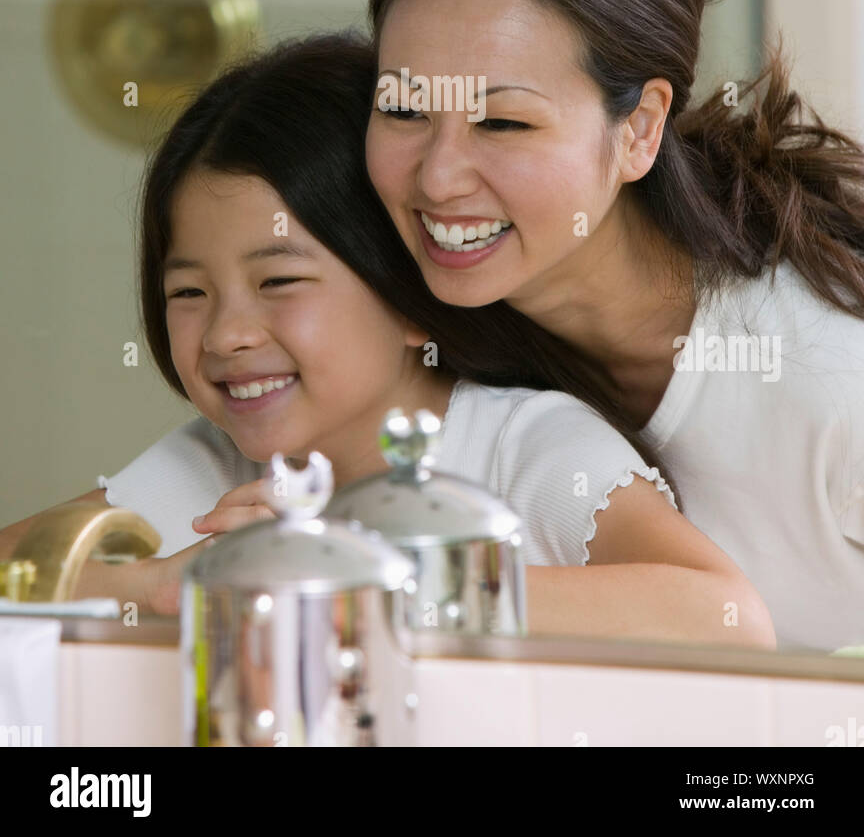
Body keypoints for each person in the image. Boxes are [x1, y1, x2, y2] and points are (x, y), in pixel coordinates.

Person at [0, 34, 773, 644]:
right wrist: (155, 588)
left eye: (280, 283)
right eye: (188, 293)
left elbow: (720, 615)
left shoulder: (521, 445)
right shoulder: (214, 463)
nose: (227, 335)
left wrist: (369, 576)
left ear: (412, 298)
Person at [364, 0, 864, 653]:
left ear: (639, 130)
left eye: (502, 122)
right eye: (403, 108)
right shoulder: (405, 312)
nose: (438, 176)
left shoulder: (831, 392)